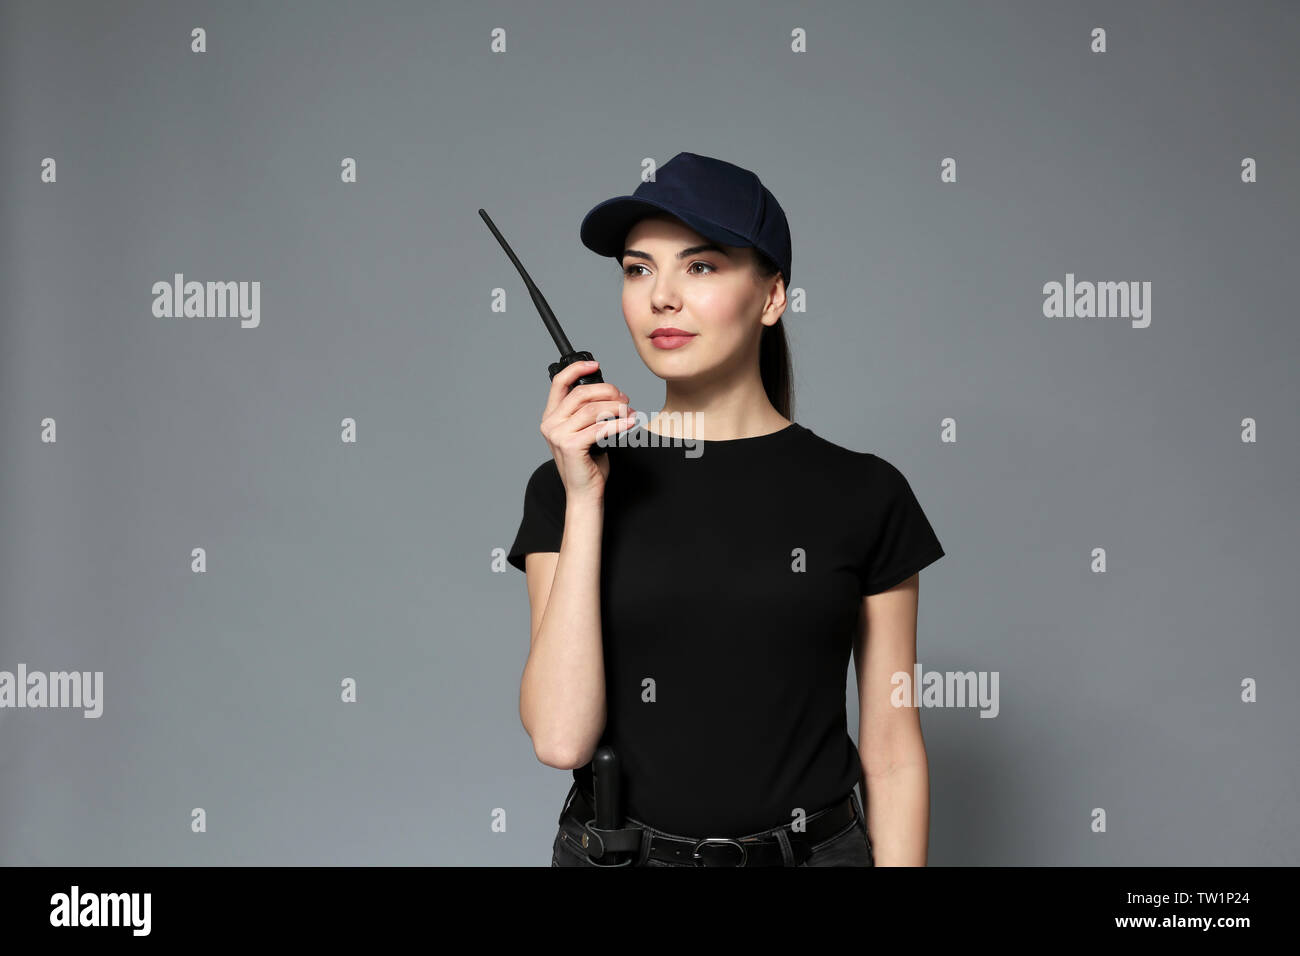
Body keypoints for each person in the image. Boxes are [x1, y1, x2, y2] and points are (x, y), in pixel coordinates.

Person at [506, 152, 945, 867]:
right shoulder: (565, 486)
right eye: (638, 268)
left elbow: (894, 752)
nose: (661, 298)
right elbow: (561, 739)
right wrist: (585, 501)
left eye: (701, 267)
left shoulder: (866, 494)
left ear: (772, 297)